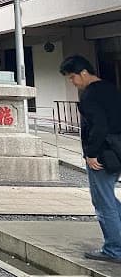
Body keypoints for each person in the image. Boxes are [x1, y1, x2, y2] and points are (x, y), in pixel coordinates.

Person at [60, 55, 121, 263]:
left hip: (102, 154)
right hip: (116, 151)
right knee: (109, 199)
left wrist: (91, 153)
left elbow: (98, 126)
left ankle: (114, 248)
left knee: (103, 201)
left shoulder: (90, 95)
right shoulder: (110, 88)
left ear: (83, 73)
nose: (72, 82)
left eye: (72, 78)